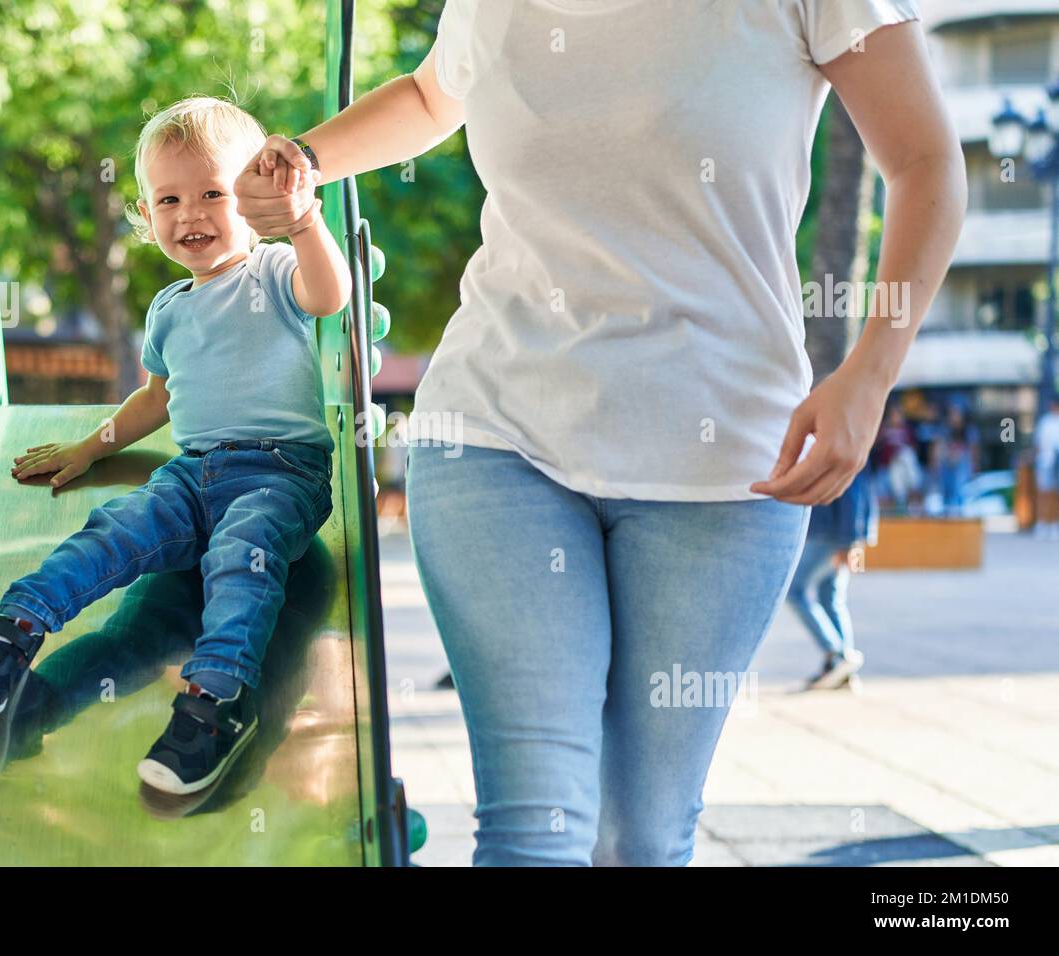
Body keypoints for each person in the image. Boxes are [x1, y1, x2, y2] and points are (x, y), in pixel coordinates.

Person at [236, 0, 965, 865]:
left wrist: (869, 376)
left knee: (639, 836)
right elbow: (434, 98)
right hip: (493, 433)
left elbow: (924, 163)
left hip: (727, 461)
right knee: (536, 825)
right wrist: (306, 162)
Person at [0, 97, 349, 797]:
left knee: (239, 554)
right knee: (115, 530)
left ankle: (211, 705)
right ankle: (10, 635)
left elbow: (330, 295)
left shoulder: (275, 273)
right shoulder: (169, 308)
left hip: (281, 474)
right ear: (145, 212)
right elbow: (156, 400)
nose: (189, 214)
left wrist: (304, 218)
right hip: (195, 474)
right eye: (169, 199)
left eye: (212, 194)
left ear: (251, 200)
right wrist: (91, 448)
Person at [786, 461, 880, 690]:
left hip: (831, 535)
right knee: (829, 596)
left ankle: (836, 653)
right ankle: (843, 673)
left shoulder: (839, 437)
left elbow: (852, 492)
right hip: (837, 533)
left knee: (794, 589)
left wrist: (848, 542)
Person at [1035, 396, 1059, 539]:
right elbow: (1039, 444)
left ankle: (1055, 524)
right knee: (1044, 494)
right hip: (1046, 462)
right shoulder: (1045, 422)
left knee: (1056, 495)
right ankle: (1042, 523)